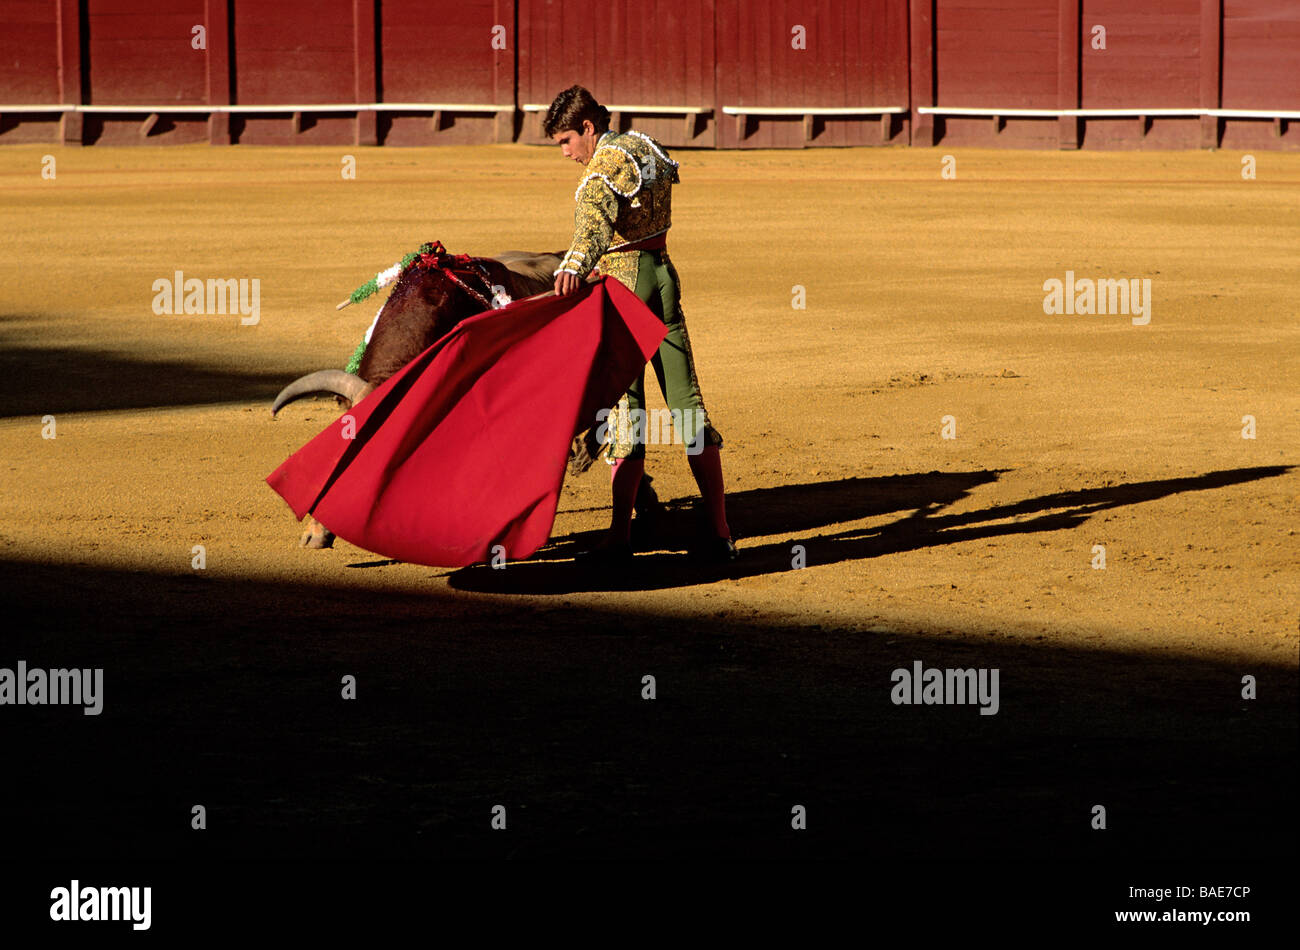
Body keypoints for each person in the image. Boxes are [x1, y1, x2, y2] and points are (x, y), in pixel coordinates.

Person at [545, 85, 736, 564]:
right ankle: (719, 532)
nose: (567, 153)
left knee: (627, 411)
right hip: (663, 275)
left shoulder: (602, 168)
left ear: (588, 128)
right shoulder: (647, 147)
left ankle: (618, 539)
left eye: (567, 141)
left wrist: (573, 266)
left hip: (626, 289)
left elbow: (593, 224)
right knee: (687, 405)